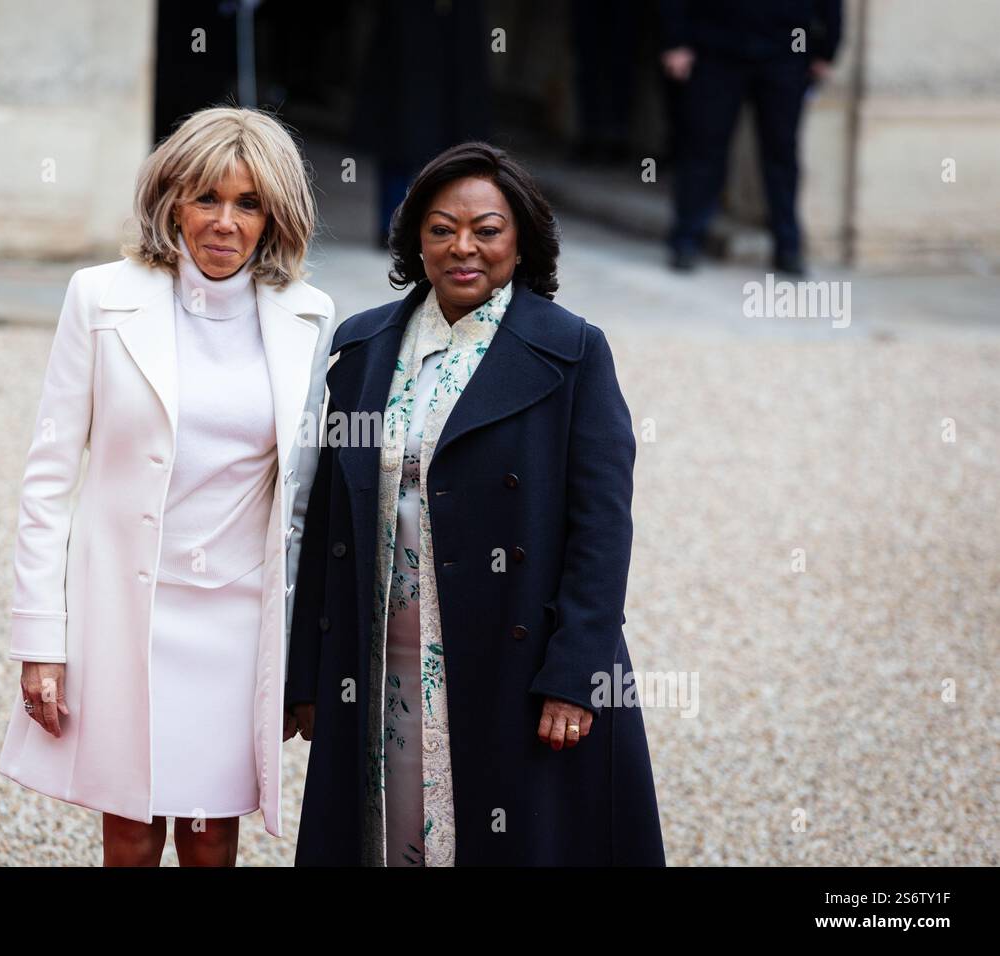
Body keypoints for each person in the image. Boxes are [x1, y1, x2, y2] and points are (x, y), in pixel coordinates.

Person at [285, 142, 665, 865]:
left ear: (521, 240)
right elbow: (330, 523)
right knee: (383, 836)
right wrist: (307, 671)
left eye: (487, 230)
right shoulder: (361, 349)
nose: (463, 247)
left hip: (514, 662)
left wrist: (575, 676)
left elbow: (602, 530)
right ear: (414, 240)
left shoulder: (574, 350)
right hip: (379, 657)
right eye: (440, 228)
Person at [0, 106, 337, 866]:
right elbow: (48, 480)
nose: (224, 222)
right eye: (205, 197)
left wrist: (304, 659)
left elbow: (306, 501)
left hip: (239, 622)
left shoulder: (311, 318)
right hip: (126, 611)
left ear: (274, 215)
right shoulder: (98, 297)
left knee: (214, 834)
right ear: (169, 200)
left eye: (248, 203)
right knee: (131, 828)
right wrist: (38, 639)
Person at [661, 0, 844, 275]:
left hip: (785, 52)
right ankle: (686, 239)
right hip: (716, 48)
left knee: (781, 153)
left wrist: (828, 48)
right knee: (703, 148)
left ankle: (788, 246)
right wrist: (675, 40)